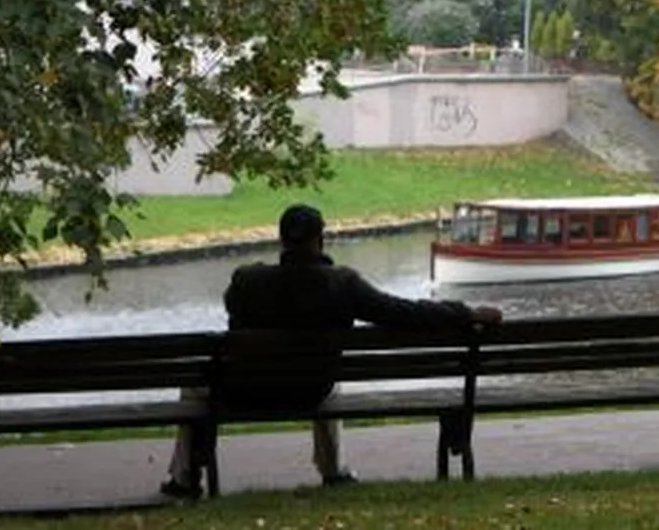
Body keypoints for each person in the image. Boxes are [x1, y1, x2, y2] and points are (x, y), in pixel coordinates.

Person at [160, 204, 502, 499]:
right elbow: (402, 312)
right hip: (310, 390)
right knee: (329, 381)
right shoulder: (342, 284)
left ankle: (185, 478)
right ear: (319, 239)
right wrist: (464, 313)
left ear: (282, 240)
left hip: (243, 392)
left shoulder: (246, 280)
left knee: (195, 387)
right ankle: (333, 471)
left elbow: (232, 309)